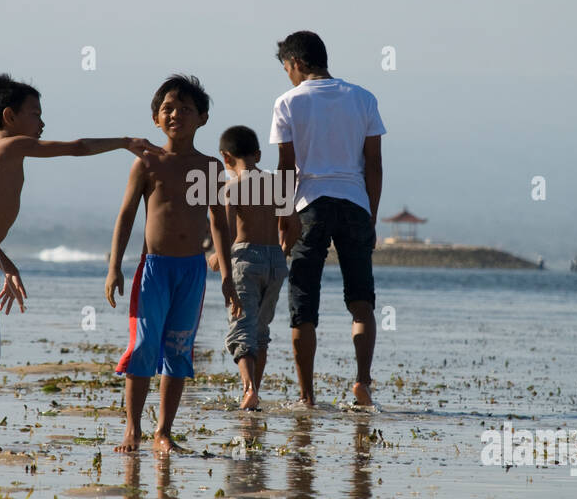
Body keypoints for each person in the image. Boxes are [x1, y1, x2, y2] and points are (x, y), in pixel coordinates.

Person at [0, 73, 161, 454]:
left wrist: (5, 264)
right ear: (9, 116)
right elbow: (77, 147)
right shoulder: (6, 151)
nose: (41, 123)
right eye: (35, 113)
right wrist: (124, 142)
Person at [106, 74, 240, 454]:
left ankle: (163, 432)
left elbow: (217, 219)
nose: (175, 114)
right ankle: (132, 429)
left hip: (192, 270)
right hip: (154, 270)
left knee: (178, 349)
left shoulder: (209, 167)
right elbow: (127, 215)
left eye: (185, 109)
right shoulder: (149, 163)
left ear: (203, 118)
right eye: (167, 108)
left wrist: (227, 273)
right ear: (155, 119)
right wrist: (115, 265)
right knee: (145, 346)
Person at [270, 31, 385, 408]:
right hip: (354, 203)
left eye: (287, 68)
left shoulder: (288, 102)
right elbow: (374, 164)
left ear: (297, 64)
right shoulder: (363, 98)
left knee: (303, 301)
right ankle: (363, 384)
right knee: (361, 301)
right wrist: (371, 214)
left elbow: (286, 166)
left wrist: (284, 214)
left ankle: (306, 396)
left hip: (309, 205)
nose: (288, 75)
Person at [205, 125, 289, 411]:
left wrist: (214, 258)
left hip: (245, 258)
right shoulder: (277, 185)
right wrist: (280, 253)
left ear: (226, 159)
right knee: (261, 330)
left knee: (241, 327)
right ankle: (255, 393)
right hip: (276, 261)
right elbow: (293, 226)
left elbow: (226, 232)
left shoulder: (230, 188)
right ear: (258, 154)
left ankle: (249, 388)